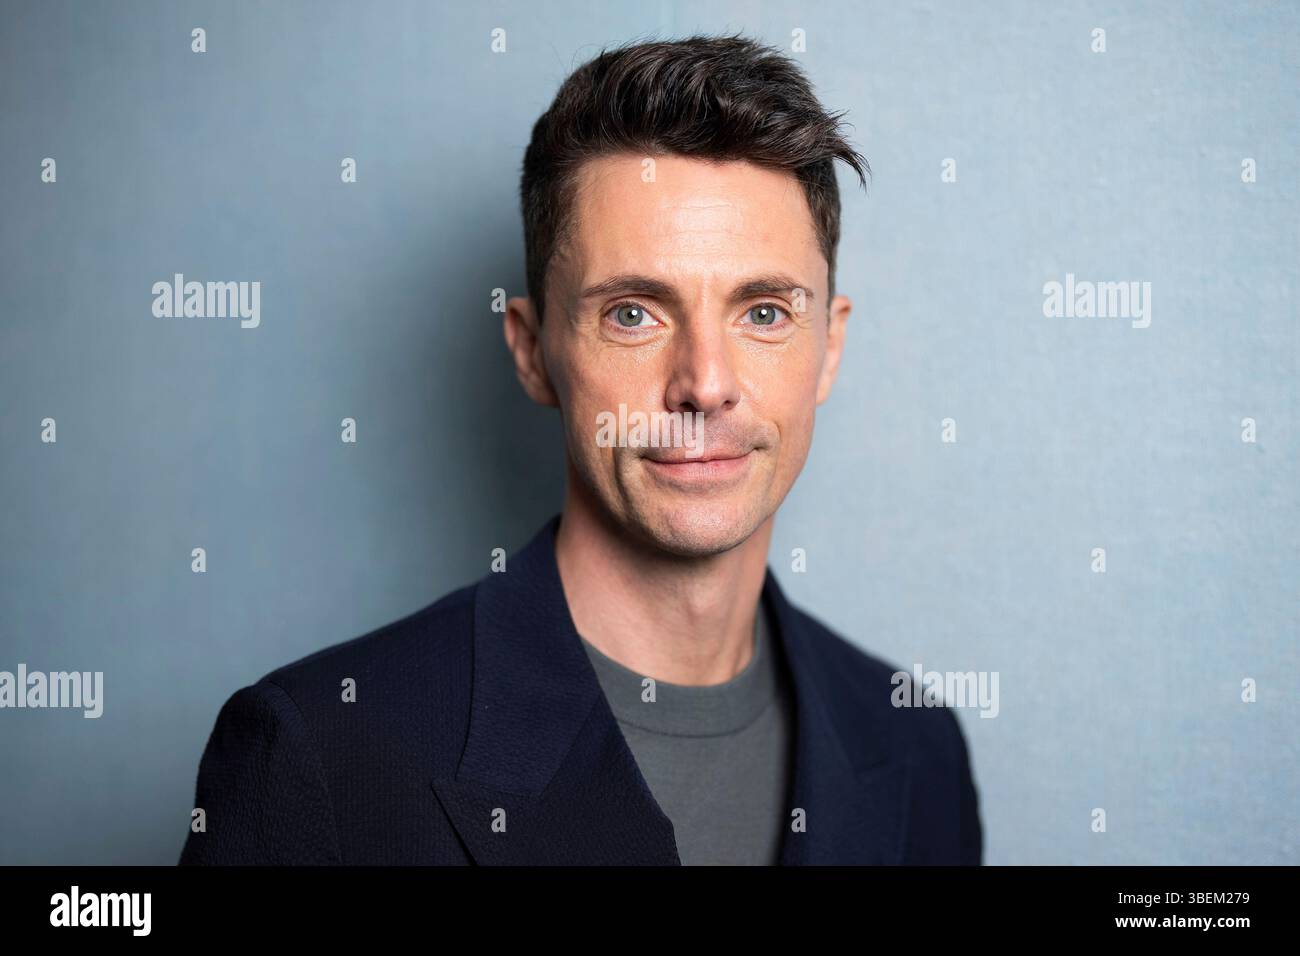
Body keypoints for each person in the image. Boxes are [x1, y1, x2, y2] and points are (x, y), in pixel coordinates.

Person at [179, 33, 982, 866]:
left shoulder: (919, 748)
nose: (705, 384)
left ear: (830, 346)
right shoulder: (318, 755)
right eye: (633, 312)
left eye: (765, 312)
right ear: (532, 351)